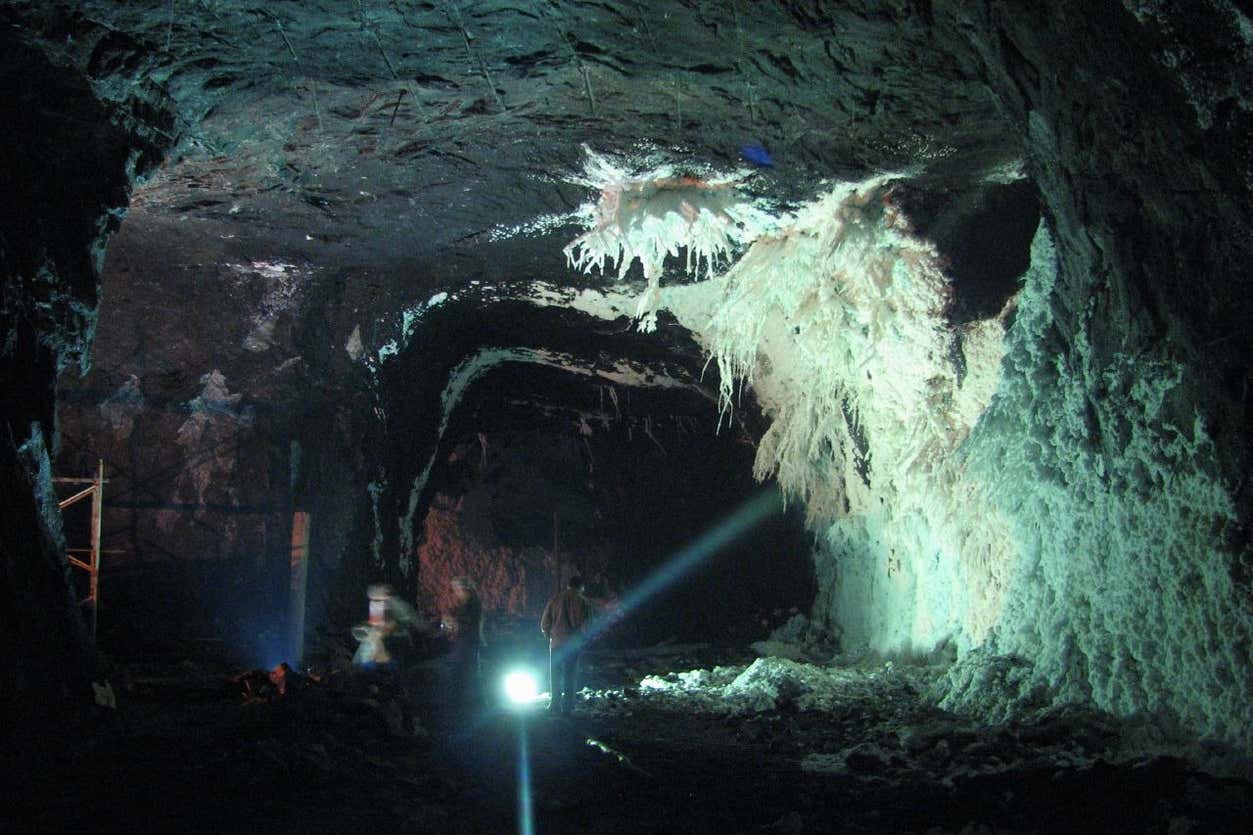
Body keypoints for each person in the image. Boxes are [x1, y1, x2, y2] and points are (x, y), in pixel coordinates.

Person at [540, 575, 593, 715]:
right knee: (570, 675)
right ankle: (568, 707)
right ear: (581, 586)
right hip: (573, 644)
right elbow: (585, 625)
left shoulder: (555, 599)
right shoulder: (582, 601)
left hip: (556, 643)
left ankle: (554, 705)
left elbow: (544, 623)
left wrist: (550, 635)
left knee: (555, 675)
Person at [441, 576, 485, 706]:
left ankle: (466, 703)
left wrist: (452, 622)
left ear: (464, 589)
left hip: (466, 643)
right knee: (466, 671)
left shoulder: (471, 603)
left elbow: (466, 623)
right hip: (465, 642)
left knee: (464, 672)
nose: (455, 592)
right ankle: (471, 702)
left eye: (457, 589)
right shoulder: (469, 603)